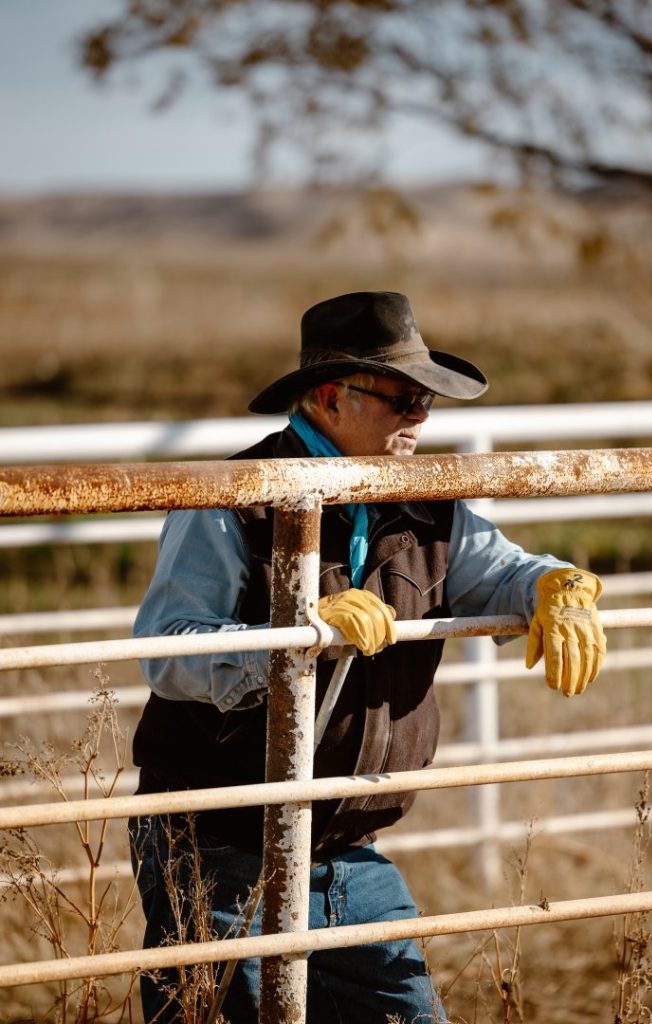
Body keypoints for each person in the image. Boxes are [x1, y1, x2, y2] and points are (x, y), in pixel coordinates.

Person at [130, 290, 606, 1024]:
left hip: (345, 847)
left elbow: (502, 568)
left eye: (427, 401)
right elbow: (168, 649)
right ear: (330, 397)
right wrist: (294, 640)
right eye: (403, 398)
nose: (420, 416)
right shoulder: (231, 499)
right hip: (217, 840)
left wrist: (555, 583)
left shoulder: (430, 503)